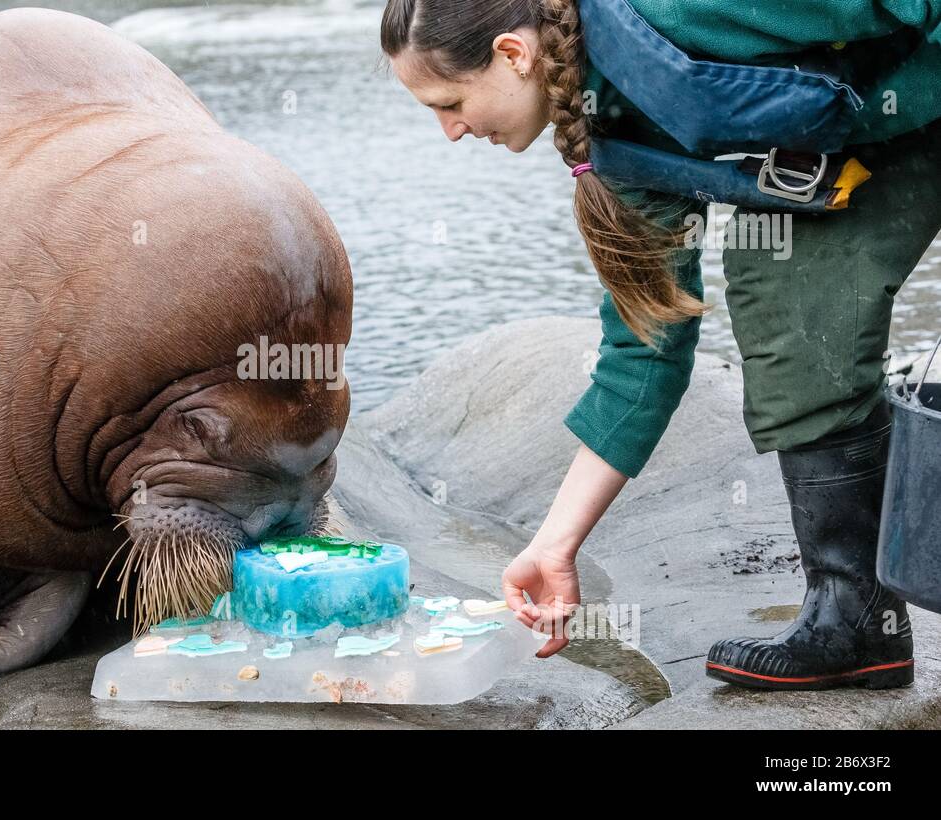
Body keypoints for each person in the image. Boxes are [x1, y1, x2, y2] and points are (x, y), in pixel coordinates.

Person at [380, 0, 941, 689]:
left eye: (449, 101)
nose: (450, 132)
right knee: (788, 301)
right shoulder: (614, 142)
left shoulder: (686, 7)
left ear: (511, 54)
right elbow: (648, 343)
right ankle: (855, 623)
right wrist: (556, 548)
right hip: (858, 147)